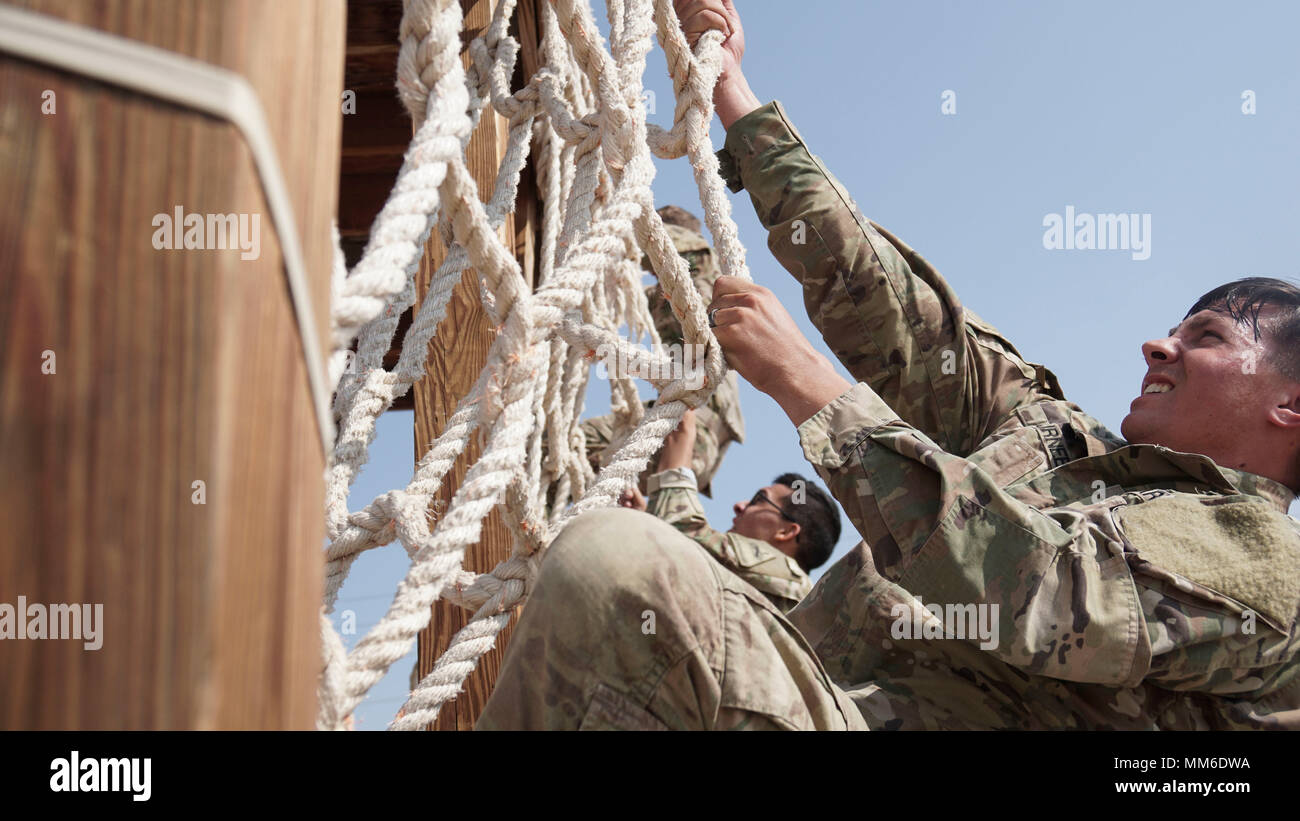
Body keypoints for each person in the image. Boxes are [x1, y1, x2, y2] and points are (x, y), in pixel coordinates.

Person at [476, 0, 1300, 730]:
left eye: (1208, 338)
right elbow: (890, 305)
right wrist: (730, 86)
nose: (1159, 346)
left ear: (1289, 406)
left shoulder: (1266, 568)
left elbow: (1044, 597)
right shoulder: (1052, 437)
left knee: (616, 569)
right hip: (809, 689)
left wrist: (811, 389)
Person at [579, 205, 745, 499]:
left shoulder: (702, 267)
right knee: (564, 450)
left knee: (560, 445)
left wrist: (591, 215)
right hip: (685, 421)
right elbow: (615, 303)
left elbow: (654, 242)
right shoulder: (661, 295)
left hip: (696, 421)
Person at [618, 408, 840, 613]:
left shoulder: (789, 574)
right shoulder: (767, 588)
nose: (739, 505)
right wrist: (647, 517)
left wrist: (682, 438)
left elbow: (683, 532)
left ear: (787, 532)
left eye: (758, 500)